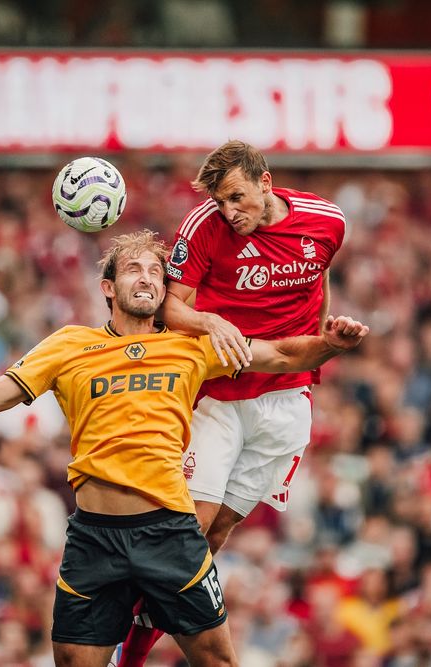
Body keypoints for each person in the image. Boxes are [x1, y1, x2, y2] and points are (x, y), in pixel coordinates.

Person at [0, 230, 369, 667]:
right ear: (109, 286)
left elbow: (276, 353)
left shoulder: (189, 347)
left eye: (155, 271)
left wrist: (331, 344)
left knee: (218, 660)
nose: (146, 277)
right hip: (94, 538)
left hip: (169, 531)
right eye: (133, 270)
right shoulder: (69, 345)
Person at [117, 141, 347, 666]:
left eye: (238, 198)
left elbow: (320, 274)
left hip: (285, 395)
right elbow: (168, 308)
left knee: (216, 535)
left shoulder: (328, 220)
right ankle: (124, 653)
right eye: (222, 201)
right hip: (216, 394)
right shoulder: (203, 226)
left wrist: (320, 346)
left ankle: (138, 638)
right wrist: (211, 322)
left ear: (266, 182)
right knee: (191, 526)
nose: (230, 211)